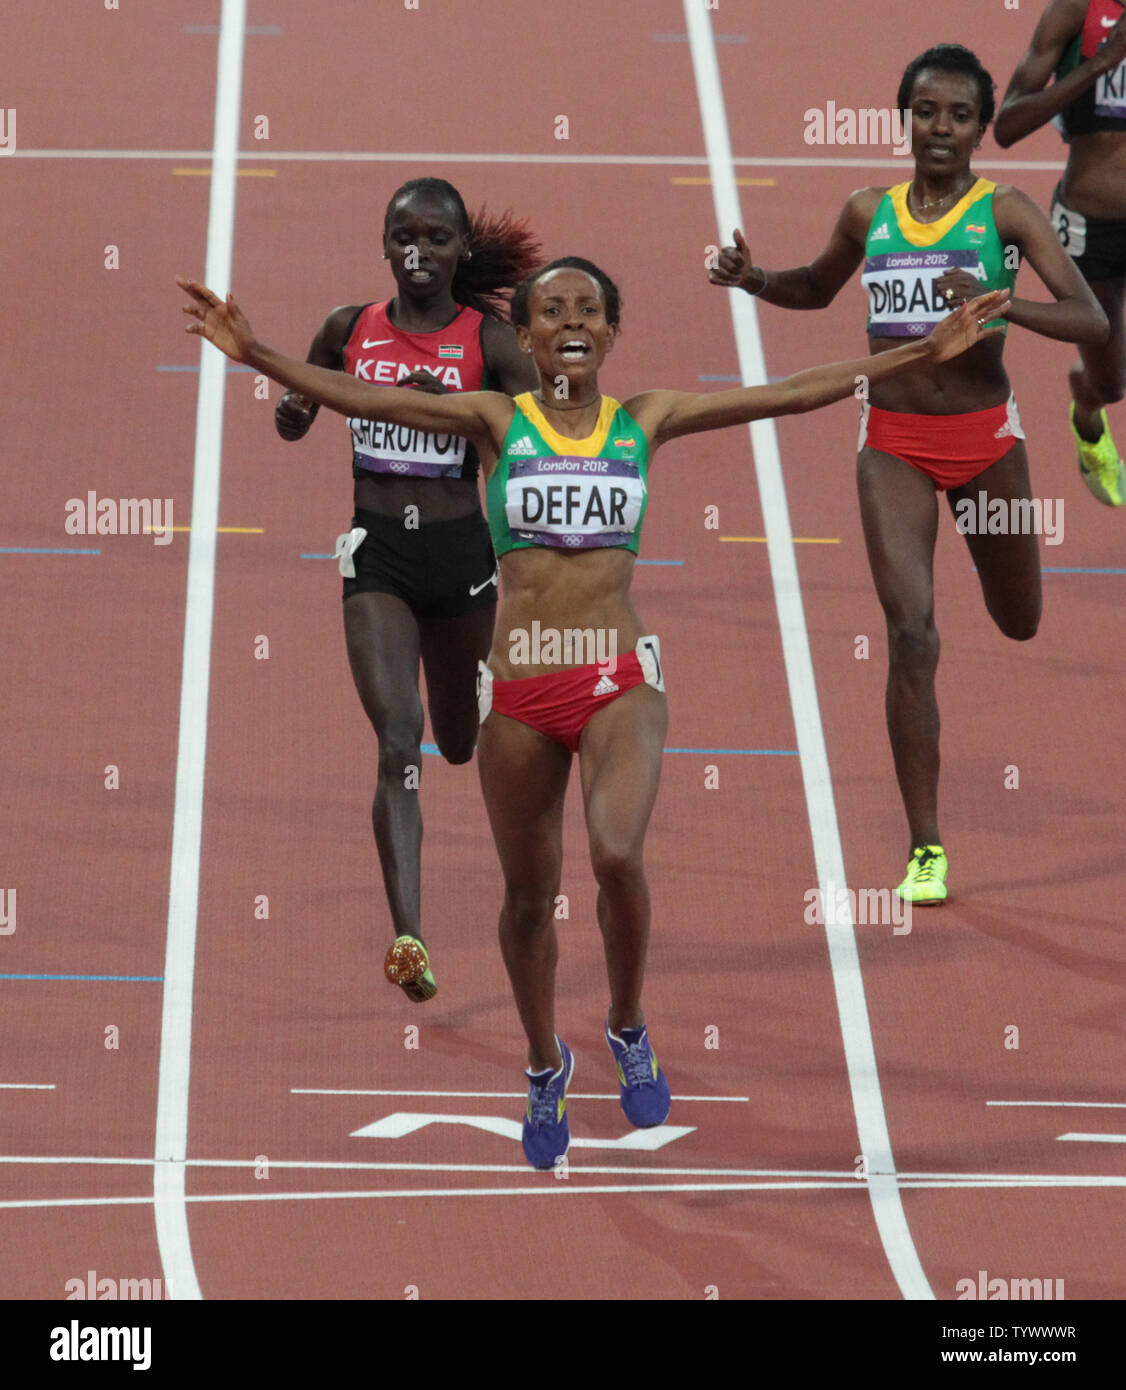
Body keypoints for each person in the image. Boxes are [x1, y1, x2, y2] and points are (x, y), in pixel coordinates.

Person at [177, 257, 1009, 1168]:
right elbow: (363, 400)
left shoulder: (644, 420)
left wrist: (918, 353)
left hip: (617, 676)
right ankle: (544, 1064)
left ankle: (626, 1024)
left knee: (616, 853)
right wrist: (253, 351)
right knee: (529, 900)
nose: (570, 321)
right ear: (526, 340)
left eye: (588, 310)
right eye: (551, 311)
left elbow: (792, 393)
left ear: (611, 333)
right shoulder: (496, 419)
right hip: (522, 689)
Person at [708, 43, 1107, 904]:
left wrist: (1003, 304)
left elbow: (1090, 315)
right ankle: (927, 846)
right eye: (927, 111)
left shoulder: (1005, 213)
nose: (942, 128)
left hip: (987, 443)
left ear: (977, 129)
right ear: (905, 117)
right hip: (892, 440)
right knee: (912, 634)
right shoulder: (867, 211)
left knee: (1020, 620)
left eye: (961, 115)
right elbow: (816, 288)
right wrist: (755, 279)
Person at [275, 178, 539, 1002]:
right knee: (400, 738)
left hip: (461, 560)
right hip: (379, 555)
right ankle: (409, 939)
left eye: (434, 238)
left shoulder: (488, 343)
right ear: (384, 246)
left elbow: (549, 436)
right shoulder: (347, 329)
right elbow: (302, 401)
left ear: (460, 251)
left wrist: (461, 409)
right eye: (402, 237)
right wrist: (296, 410)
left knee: (458, 745)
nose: (417, 251)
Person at [995, 0, 1126, 505]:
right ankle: (1088, 410)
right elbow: (1006, 125)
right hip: (1091, 226)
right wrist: (1098, 65)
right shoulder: (1075, 11)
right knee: (1111, 384)